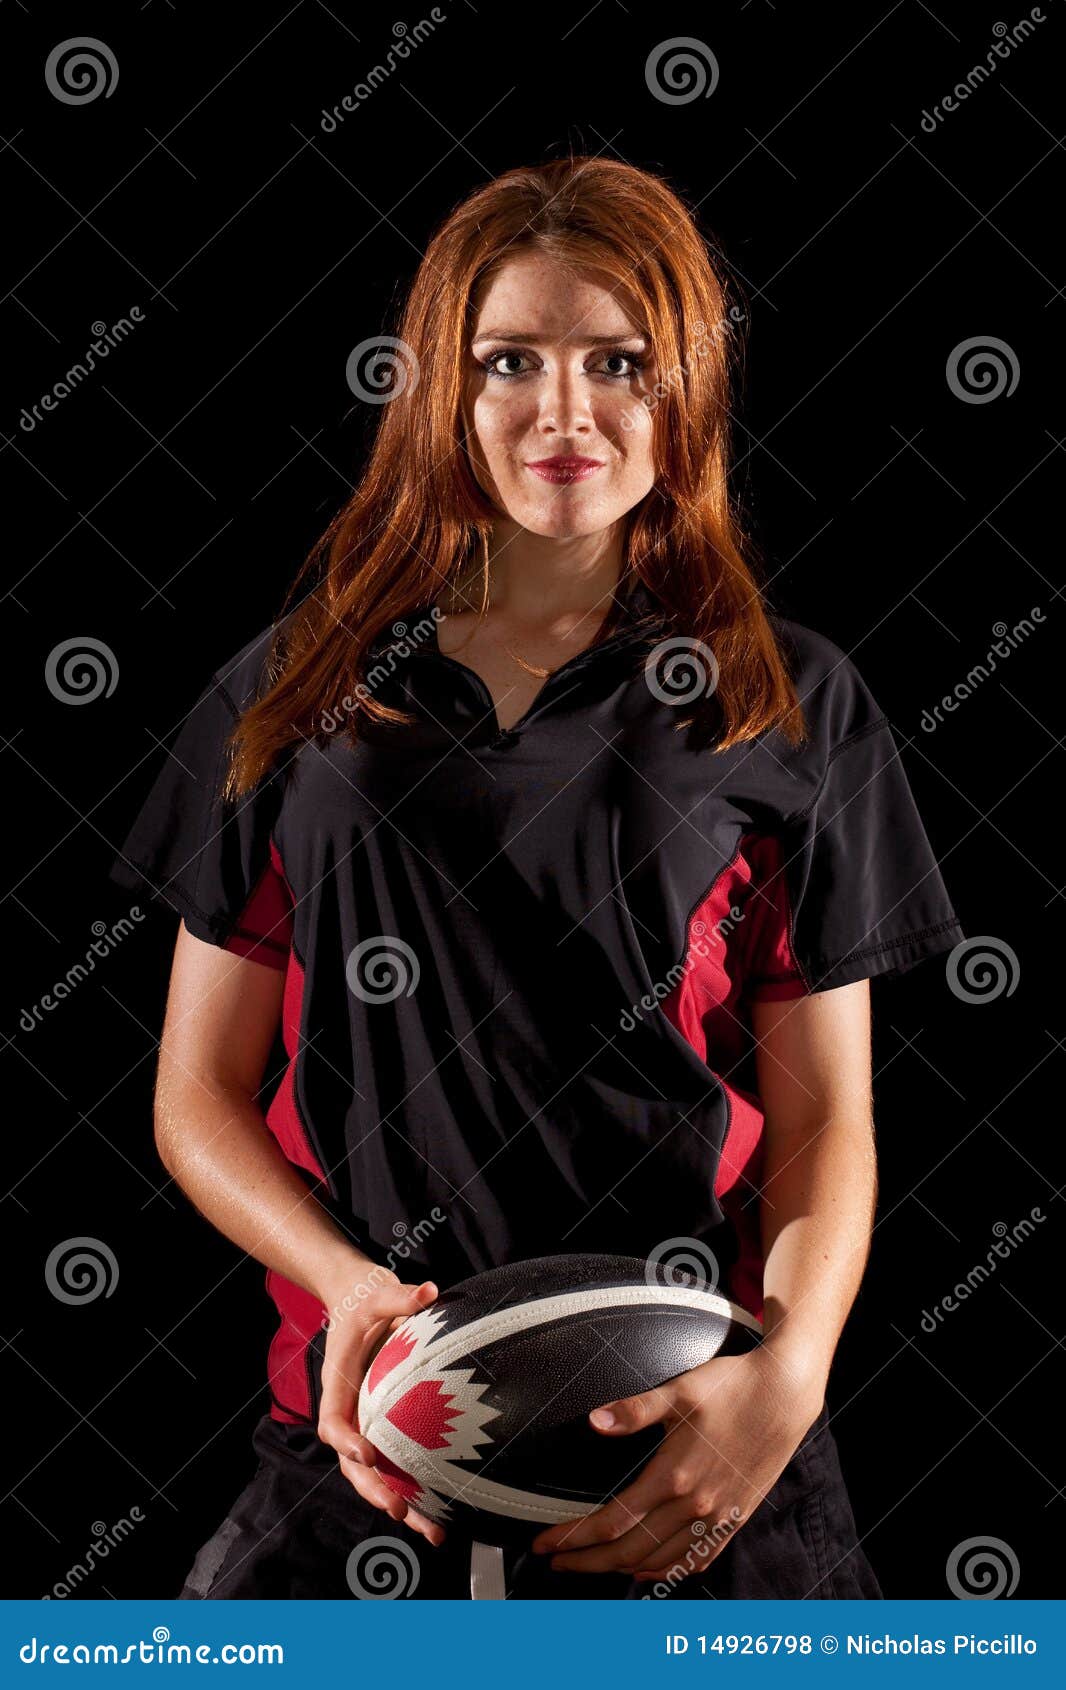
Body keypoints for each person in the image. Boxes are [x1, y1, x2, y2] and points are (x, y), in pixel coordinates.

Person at [108, 155, 965, 1601]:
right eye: (509, 360)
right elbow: (196, 1093)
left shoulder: (782, 701)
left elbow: (827, 1124)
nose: (564, 413)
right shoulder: (298, 699)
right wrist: (348, 1287)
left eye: (617, 361)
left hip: (697, 1436)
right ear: (441, 384)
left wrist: (790, 1379)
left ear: (683, 386)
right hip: (375, 1432)